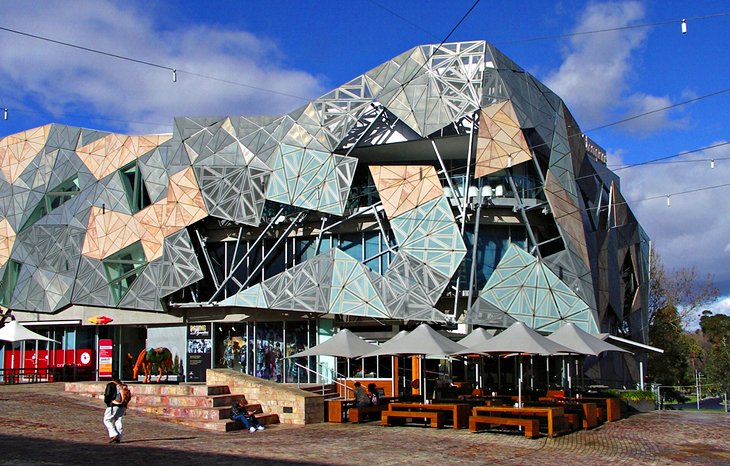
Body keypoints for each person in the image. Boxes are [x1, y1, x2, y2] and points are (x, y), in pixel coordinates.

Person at [103, 376, 129, 444]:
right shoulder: (123, 385)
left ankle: (114, 434)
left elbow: (107, 395)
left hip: (113, 405)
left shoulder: (111, 384)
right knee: (118, 420)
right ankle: (119, 437)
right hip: (123, 405)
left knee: (107, 420)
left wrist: (108, 403)